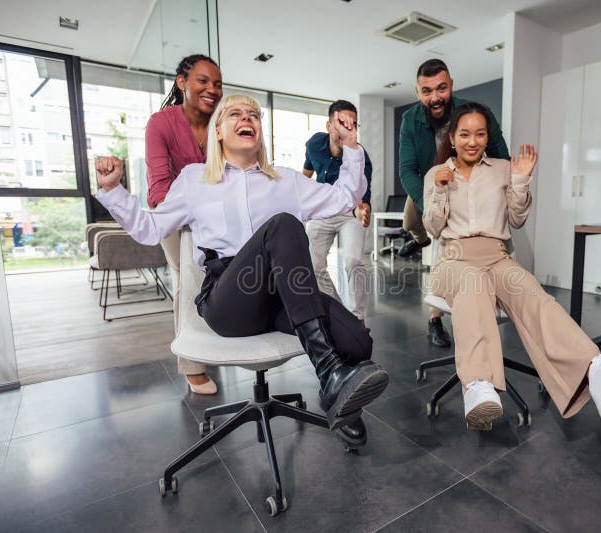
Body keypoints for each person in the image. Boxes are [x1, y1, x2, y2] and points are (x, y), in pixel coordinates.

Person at [95, 94, 387, 447]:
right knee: (282, 226)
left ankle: (336, 397)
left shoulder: (287, 181)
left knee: (359, 341)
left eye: (254, 114)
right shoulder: (194, 179)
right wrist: (114, 191)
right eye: (234, 114)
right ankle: (328, 371)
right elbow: (149, 229)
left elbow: (344, 198)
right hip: (228, 299)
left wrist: (352, 147)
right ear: (218, 131)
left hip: (281, 296)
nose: (246, 118)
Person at [423, 102, 601, 430]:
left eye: (480, 134)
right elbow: (432, 228)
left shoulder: (502, 169)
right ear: (453, 137)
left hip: (497, 257)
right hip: (455, 260)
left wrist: (520, 181)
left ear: (488, 137)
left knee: (533, 293)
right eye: (464, 134)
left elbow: (516, 220)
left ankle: (597, 373)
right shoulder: (437, 174)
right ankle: (477, 384)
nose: (472, 141)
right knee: (473, 281)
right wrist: (440, 190)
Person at [398, 58, 510, 347]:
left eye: (441, 88)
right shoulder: (410, 120)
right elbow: (407, 170)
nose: (435, 97)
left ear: (451, 86)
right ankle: (419, 238)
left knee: (444, 251)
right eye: (427, 91)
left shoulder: (473, 114)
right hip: (432, 183)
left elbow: (501, 156)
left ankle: (435, 319)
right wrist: (433, 203)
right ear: (417, 91)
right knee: (411, 222)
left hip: (467, 186)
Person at [146, 54, 223, 394]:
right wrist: (194, 210)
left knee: (216, 278)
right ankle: (192, 361)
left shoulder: (221, 124)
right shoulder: (160, 123)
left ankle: (212, 340)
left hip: (216, 215)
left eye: (218, 84)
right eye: (203, 81)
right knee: (188, 280)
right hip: (173, 214)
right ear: (182, 83)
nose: (212, 89)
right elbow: (159, 186)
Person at [303, 100, 372, 324]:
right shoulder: (314, 144)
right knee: (313, 266)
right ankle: (340, 313)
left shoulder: (361, 156)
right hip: (322, 212)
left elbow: (363, 199)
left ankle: (358, 317)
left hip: (350, 213)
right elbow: (305, 175)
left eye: (353, 124)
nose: (347, 128)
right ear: (329, 125)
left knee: (353, 261)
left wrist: (363, 212)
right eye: (342, 122)